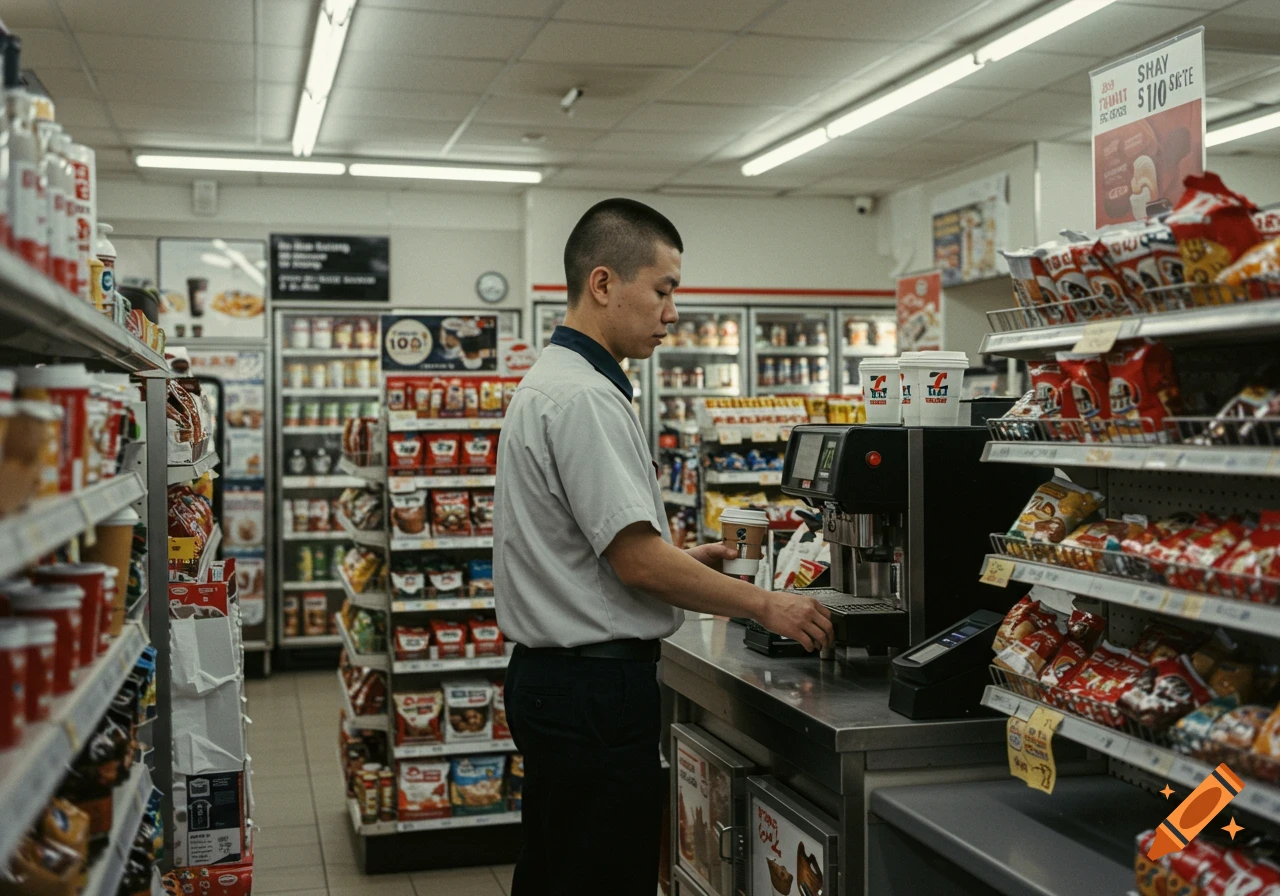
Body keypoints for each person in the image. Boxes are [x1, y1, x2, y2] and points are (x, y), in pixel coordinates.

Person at [494, 197, 834, 895]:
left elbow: (601, 551)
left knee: (558, 870)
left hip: (554, 683)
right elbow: (636, 561)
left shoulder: (551, 384)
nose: (672, 312)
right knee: (601, 876)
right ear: (604, 284)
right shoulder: (585, 398)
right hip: (592, 692)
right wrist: (766, 605)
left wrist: (691, 561)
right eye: (664, 289)